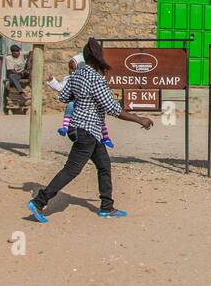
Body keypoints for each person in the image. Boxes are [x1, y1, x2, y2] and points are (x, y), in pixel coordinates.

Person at [28, 38, 153, 222]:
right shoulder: (96, 79)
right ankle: (40, 201)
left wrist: (82, 98)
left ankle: (107, 206)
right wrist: (139, 119)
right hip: (87, 130)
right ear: (97, 58)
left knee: (104, 165)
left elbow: (64, 96)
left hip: (82, 129)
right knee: (71, 169)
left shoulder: (77, 73)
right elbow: (113, 108)